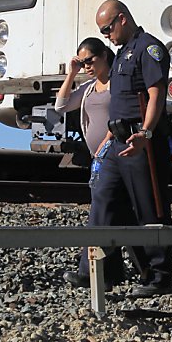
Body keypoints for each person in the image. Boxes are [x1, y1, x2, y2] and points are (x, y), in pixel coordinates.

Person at [91, 0, 172, 298]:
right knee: (105, 199)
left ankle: (159, 275)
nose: (106, 35)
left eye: (107, 28)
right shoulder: (122, 53)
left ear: (122, 19)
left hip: (140, 140)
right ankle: (101, 270)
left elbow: (156, 95)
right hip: (117, 139)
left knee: (149, 207)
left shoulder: (148, 48)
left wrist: (146, 132)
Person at [54, 37, 127, 290]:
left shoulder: (118, 84)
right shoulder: (88, 87)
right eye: (82, 62)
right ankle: (113, 272)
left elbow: (121, 114)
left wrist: (107, 142)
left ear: (104, 56)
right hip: (99, 157)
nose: (87, 66)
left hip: (113, 152)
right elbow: (61, 105)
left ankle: (89, 269)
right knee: (112, 211)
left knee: (101, 208)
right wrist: (72, 73)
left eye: (90, 61)